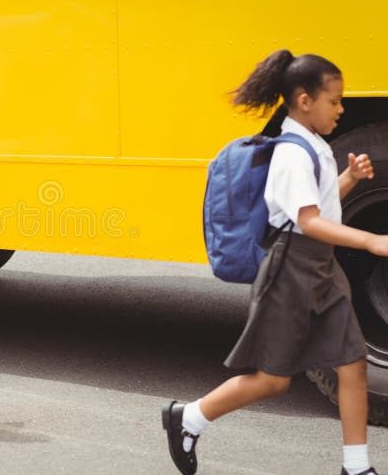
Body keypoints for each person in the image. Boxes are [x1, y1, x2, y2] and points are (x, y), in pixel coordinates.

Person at [162, 50, 386, 475]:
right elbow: (308, 222)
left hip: (322, 269)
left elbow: (318, 206)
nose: (341, 109)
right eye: (335, 100)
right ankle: (188, 417)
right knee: (273, 379)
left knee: (352, 363)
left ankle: (356, 468)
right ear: (305, 101)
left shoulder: (315, 145)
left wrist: (349, 179)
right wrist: (371, 240)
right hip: (290, 271)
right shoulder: (291, 155)